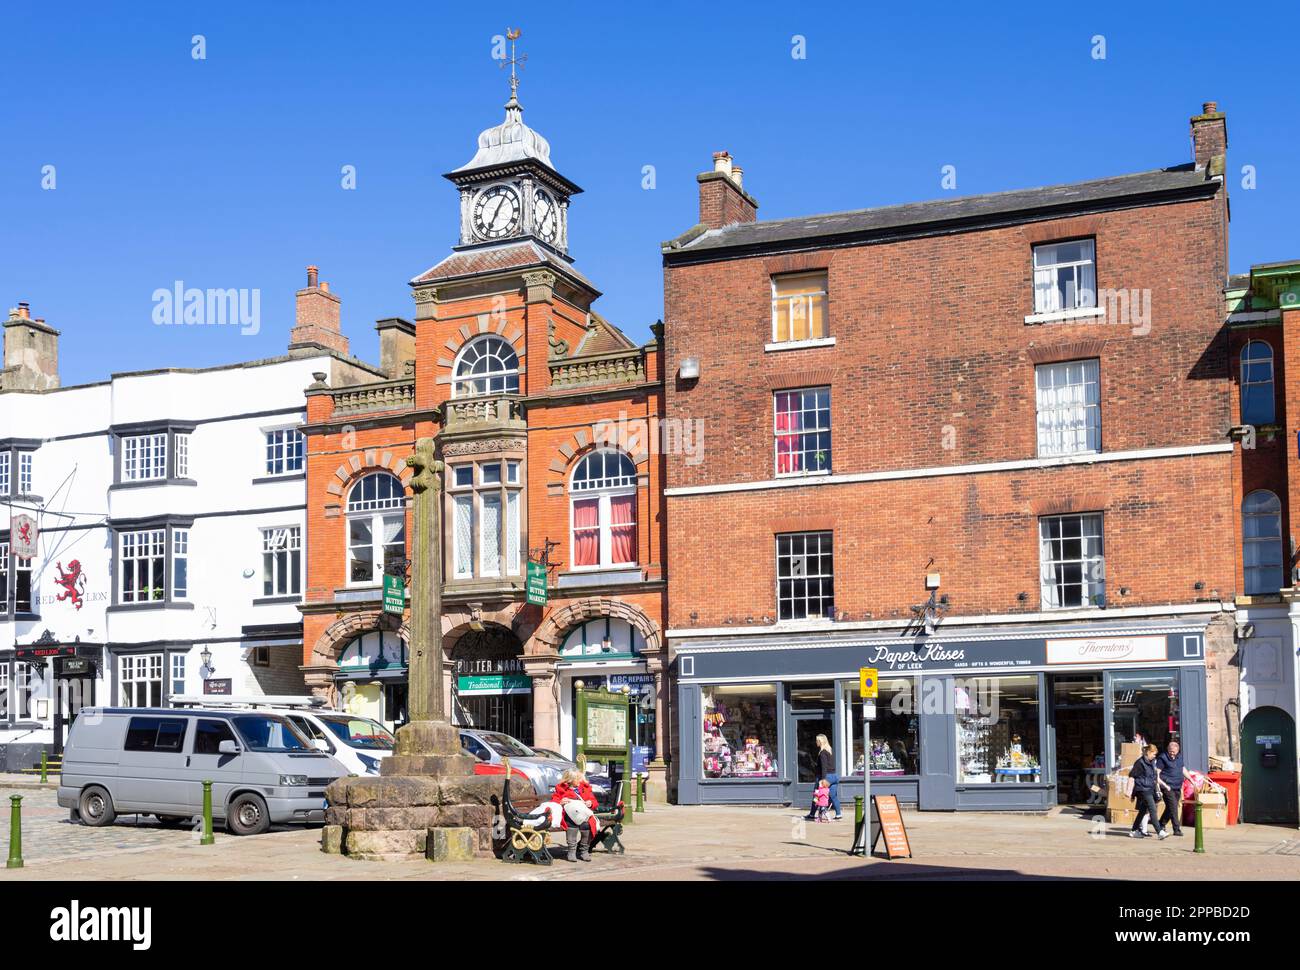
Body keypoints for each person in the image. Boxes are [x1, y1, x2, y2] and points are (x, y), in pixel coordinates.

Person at [551, 768, 599, 862]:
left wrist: (590, 803)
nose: (580, 780)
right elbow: (554, 800)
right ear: (570, 780)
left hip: (584, 815)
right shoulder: (561, 788)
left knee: (587, 825)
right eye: (577, 779)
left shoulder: (585, 788)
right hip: (569, 816)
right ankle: (571, 852)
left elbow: (594, 802)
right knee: (571, 823)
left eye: (580, 778)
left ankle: (584, 851)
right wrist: (560, 801)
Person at [1129, 744, 1166, 840]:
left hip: (1150, 789)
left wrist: (1157, 789)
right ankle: (1159, 832)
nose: (1155, 756)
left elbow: (1154, 777)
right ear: (1148, 752)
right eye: (1154, 754)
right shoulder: (1139, 763)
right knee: (1152, 809)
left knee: (1142, 811)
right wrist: (1130, 792)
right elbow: (1132, 776)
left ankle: (1134, 831)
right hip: (1142, 789)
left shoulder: (1152, 762)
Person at [805, 733, 842, 821]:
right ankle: (838, 814)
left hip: (826, 777)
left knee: (817, 796)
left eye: (817, 740)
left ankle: (812, 814)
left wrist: (823, 779)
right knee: (833, 796)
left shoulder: (822, 753)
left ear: (820, 741)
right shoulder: (829, 751)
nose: (816, 742)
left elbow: (824, 767)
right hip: (834, 776)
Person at [1155, 739, 1187, 837]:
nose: (1172, 754)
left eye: (1174, 752)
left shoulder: (1179, 757)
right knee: (1173, 807)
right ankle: (1176, 829)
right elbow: (1157, 772)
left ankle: (1161, 823)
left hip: (1177, 786)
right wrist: (1162, 784)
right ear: (1167, 750)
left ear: (1178, 751)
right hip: (1167, 786)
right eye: (1170, 751)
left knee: (1170, 808)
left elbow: (1183, 769)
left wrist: (1191, 780)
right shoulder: (1163, 758)